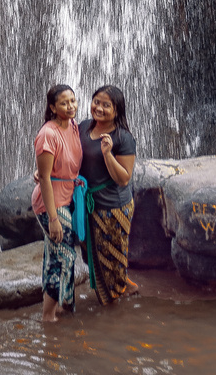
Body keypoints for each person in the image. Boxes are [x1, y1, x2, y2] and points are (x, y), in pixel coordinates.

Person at [78, 84, 136, 305]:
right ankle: (116, 295)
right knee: (94, 257)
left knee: (113, 259)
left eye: (106, 105)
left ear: (117, 110)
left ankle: (118, 307)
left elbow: (124, 178)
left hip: (113, 208)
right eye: (96, 102)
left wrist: (108, 153)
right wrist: (43, 170)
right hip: (88, 205)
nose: (99, 108)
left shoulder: (123, 138)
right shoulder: (83, 127)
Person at [31, 84, 83, 322]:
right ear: (52, 107)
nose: (70, 106)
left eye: (72, 101)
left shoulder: (72, 126)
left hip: (68, 196)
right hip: (51, 203)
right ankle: (48, 316)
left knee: (58, 255)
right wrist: (53, 218)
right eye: (64, 103)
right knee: (64, 256)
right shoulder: (48, 134)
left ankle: (61, 306)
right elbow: (44, 177)